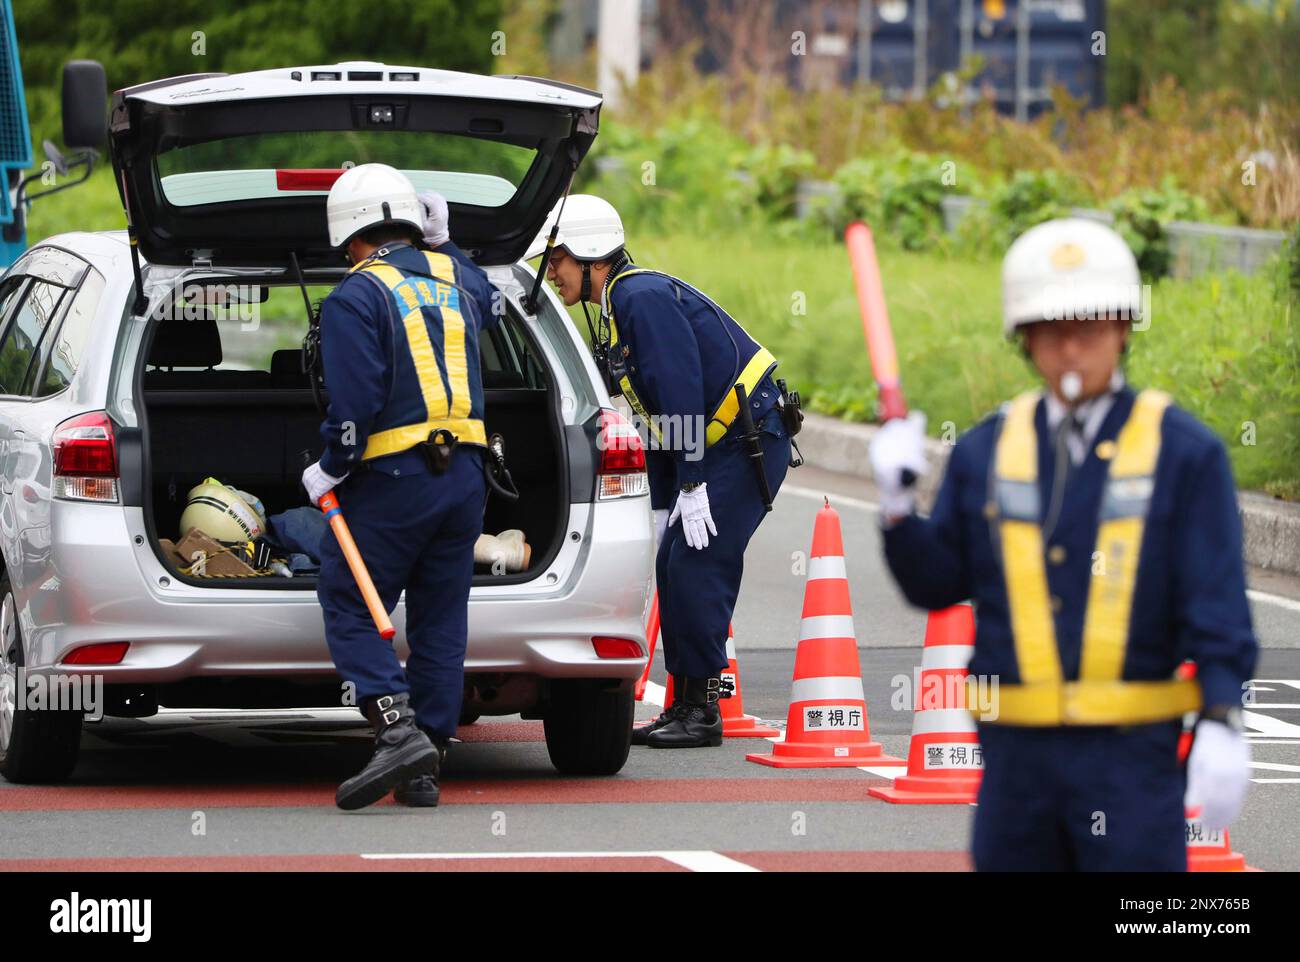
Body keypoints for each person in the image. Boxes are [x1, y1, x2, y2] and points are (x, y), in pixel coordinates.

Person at [869, 217, 1258, 869]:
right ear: (1024, 340)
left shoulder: (1184, 455)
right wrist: (897, 505)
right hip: (1015, 769)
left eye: (1091, 327)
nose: (1071, 349)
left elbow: (1216, 607)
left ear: (1124, 329)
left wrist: (1221, 717)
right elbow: (935, 581)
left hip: (1133, 764)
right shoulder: (988, 449)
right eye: (1052, 331)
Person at [529, 195, 797, 748]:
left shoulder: (639, 296)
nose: (552, 273)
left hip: (745, 443)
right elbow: (649, 412)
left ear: (591, 254)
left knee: (697, 562)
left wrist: (693, 481)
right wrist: (660, 494)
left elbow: (678, 390)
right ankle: (685, 704)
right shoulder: (617, 305)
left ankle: (701, 711)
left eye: (556, 260)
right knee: (676, 561)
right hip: (716, 445)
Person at [302, 164, 499, 809]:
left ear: (348, 235)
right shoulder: (457, 281)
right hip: (466, 477)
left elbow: (355, 409)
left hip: (394, 479)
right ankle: (426, 761)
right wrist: (445, 243)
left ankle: (395, 730)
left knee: (353, 602)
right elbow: (487, 294)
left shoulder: (352, 299)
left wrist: (330, 465)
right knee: (442, 614)